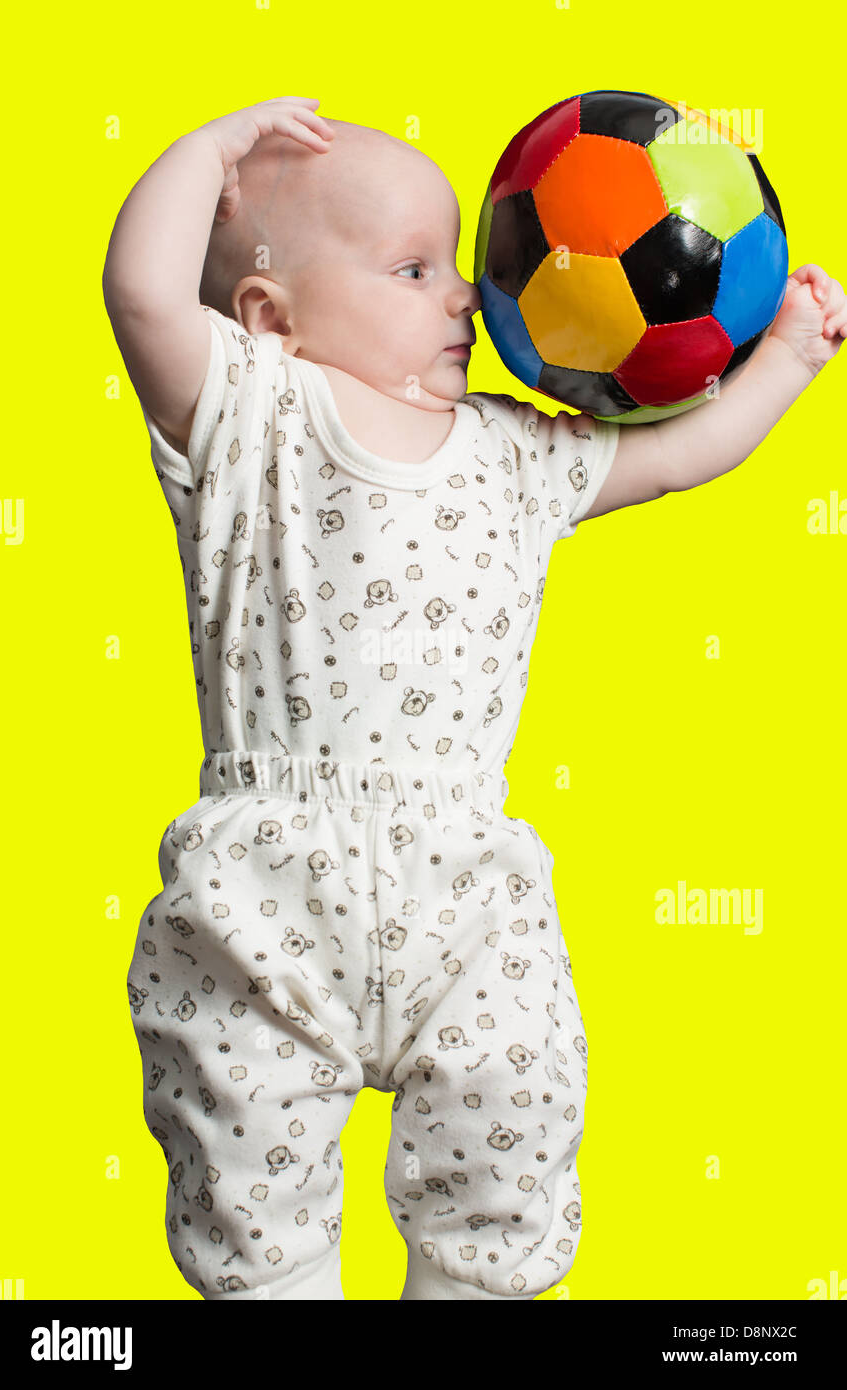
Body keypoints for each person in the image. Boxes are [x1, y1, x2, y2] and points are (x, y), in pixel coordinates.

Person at [103, 97, 845, 1300]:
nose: (460, 296)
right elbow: (141, 292)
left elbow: (677, 456)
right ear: (265, 317)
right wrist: (206, 151)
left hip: (467, 885)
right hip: (268, 891)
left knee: (518, 1100)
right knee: (243, 1154)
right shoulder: (250, 412)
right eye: (409, 268)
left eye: (455, 263)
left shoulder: (515, 450)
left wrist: (787, 362)